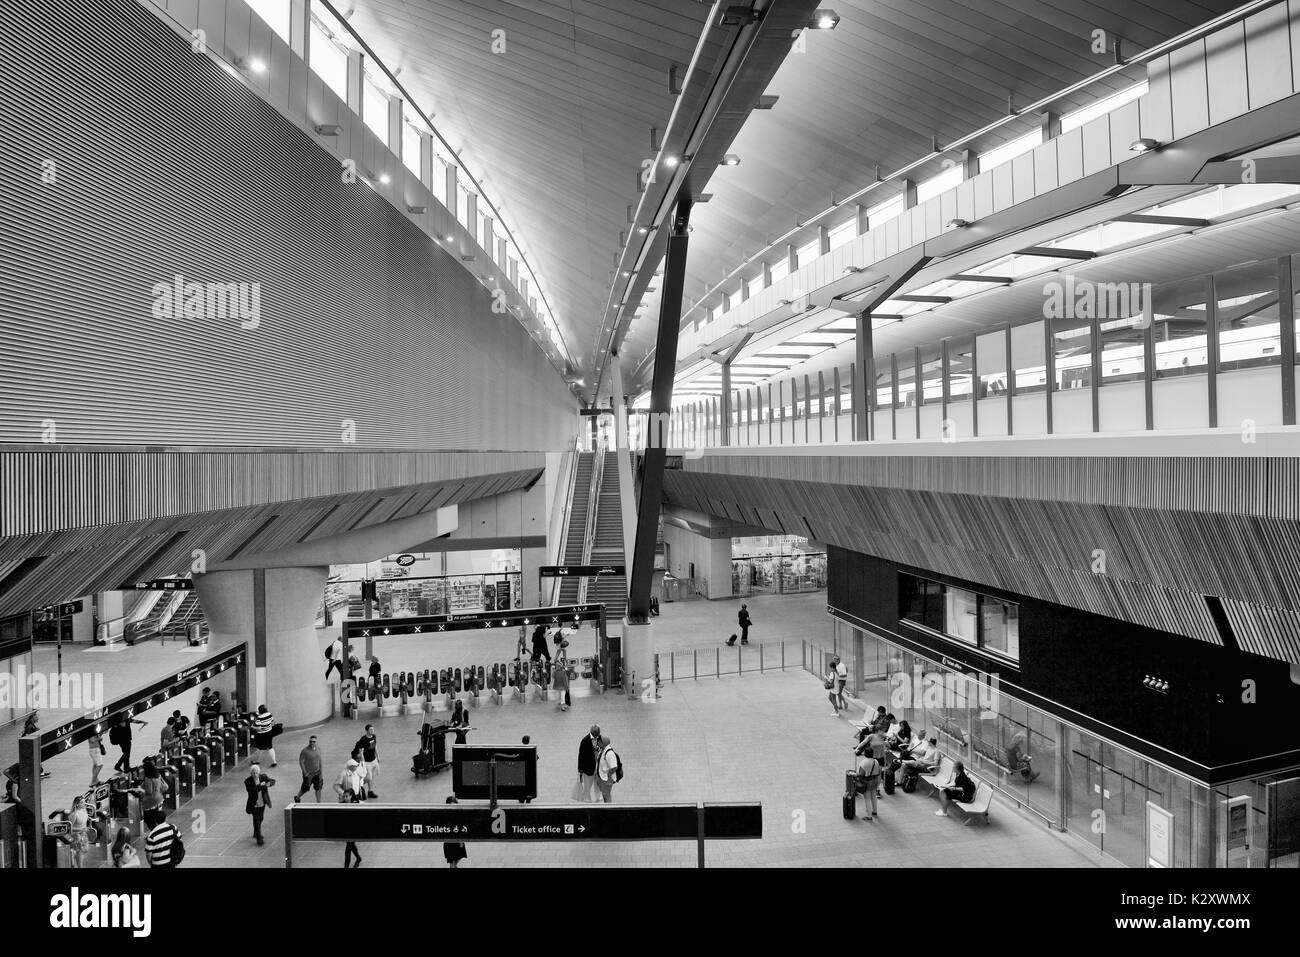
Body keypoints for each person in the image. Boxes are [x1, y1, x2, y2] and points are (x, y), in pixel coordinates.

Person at [334, 749, 366, 868]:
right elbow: (335, 785)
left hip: (354, 801)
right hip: (348, 801)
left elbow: (363, 774)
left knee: (349, 845)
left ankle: (352, 862)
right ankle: (357, 858)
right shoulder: (343, 774)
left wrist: (362, 762)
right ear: (349, 766)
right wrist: (344, 794)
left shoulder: (357, 771)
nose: (355, 767)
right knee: (350, 844)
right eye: (354, 766)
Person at [244, 762, 274, 846]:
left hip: (262, 802)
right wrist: (261, 785)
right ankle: (259, 838)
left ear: (259, 772)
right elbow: (252, 790)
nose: (255, 774)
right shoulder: (247, 781)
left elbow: (272, 781)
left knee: (261, 818)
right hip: (254, 804)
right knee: (256, 819)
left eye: (256, 773)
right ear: (250, 773)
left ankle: (255, 832)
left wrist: (269, 784)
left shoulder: (263, 777)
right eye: (253, 773)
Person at [854, 751, 882, 820]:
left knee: (867, 799)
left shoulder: (864, 762)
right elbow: (879, 772)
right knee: (873, 796)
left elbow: (860, 774)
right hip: (875, 780)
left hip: (867, 782)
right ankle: (875, 811)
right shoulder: (876, 761)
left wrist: (854, 774)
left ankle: (869, 816)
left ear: (865, 754)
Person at [295, 735, 324, 803]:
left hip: (317, 772)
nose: (312, 743)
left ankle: (318, 803)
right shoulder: (304, 751)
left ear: (316, 742)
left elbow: (320, 761)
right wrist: (305, 772)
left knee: (318, 788)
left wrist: (321, 773)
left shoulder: (318, 749)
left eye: (313, 742)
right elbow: (301, 762)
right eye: (310, 741)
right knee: (305, 788)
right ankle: (297, 797)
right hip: (309, 773)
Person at [577, 725, 601, 802]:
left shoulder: (599, 737)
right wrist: (580, 769)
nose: (600, 734)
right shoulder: (585, 741)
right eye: (598, 732)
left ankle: (599, 797)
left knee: (597, 783)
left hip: (597, 766)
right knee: (588, 785)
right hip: (588, 767)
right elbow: (581, 755)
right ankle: (587, 799)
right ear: (594, 733)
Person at [355, 724, 380, 799]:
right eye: (370, 730)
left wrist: (378, 756)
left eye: (373, 729)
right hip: (367, 762)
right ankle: (357, 786)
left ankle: (370, 791)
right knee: (368, 777)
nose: (372, 731)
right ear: (367, 731)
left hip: (373, 760)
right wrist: (363, 763)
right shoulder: (363, 739)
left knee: (372, 776)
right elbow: (361, 752)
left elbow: (375, 746)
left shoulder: (374, 736)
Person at [443, 796, 467, 868]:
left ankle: (454, 866)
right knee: (452, 861)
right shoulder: (446, 814)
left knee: (455, 859)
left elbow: (460, 827)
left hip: (455, 840)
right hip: (449, 841)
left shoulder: (457, 813)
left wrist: (461, 841)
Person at [595, 735, 621, 803]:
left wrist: (608, 777)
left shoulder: (609, 753)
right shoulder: (602, 751)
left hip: (607, 779)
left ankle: (609, 810)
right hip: (603, 778)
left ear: (603, 742)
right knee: (605, 795)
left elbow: (614, 767)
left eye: (599, 742)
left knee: (607, 795)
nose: (597, 743)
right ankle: (607, 809)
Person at [68, 794, 91, 868]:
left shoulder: (84, 811)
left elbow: (85, 822)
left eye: (84, 802)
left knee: (85, 850)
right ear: (77, 804)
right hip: (77, 836)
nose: (84, 804)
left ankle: (76, 860)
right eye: (81, 803)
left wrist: (87, 827)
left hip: (84, 834)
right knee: (80, 853)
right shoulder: (74, 815)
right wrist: (80, 830)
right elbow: (69, 828)